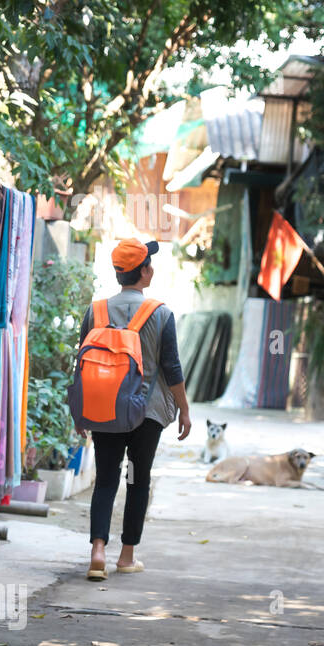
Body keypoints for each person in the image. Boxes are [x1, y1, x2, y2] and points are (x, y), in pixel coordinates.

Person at [80, 238, 190, 579]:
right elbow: (171, 368)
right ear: (144, 272)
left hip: (104, 410)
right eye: (149, 265)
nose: (151, 269)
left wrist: (80, 412)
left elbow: (81, 365)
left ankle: (98, 551)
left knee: (105, 480)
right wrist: (184, 410)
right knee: (137, 480)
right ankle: (126, 556)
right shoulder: (161, 313)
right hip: (148, 413)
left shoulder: (95, 311)